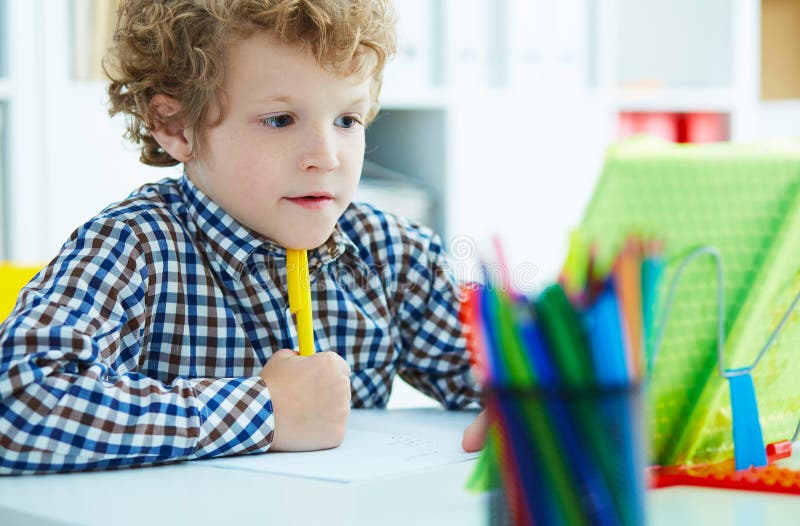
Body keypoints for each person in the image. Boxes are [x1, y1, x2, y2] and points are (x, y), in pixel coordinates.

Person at [0, 0, 487, 475]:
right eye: (280, 120)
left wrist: (539, 404)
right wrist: (266, 409)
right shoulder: (134, 246)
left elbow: (511, 366)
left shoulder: (392, 251)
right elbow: (17, 402)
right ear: (176, 127)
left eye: (347, 120)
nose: (326, 157)